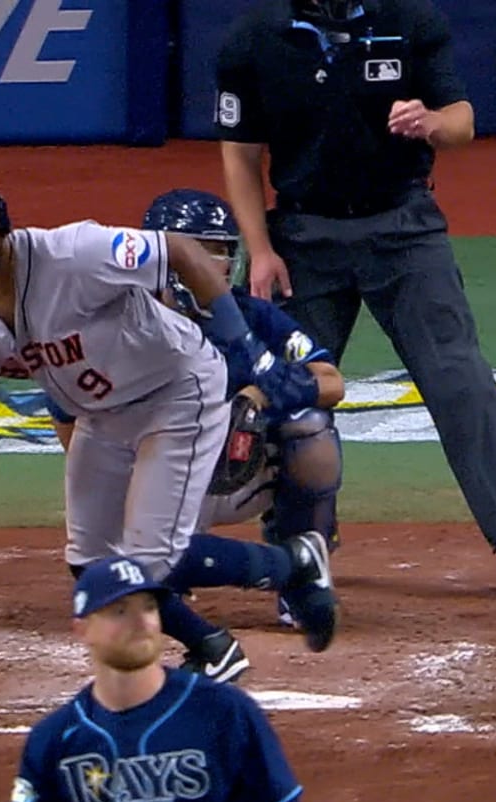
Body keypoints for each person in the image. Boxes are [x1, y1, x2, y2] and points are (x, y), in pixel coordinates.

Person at [0, 165, 339, 686]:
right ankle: (212, 644)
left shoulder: (73, 252)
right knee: (91, 563)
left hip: (177, 392)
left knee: (150, 561)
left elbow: (182, 253)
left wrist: (249, 352)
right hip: (106, 415)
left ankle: (293, 563)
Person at [215, 0, 496, 598]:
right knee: (289, 388)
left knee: (458, 377)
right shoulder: (254, 38)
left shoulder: (409, 19)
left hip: (404, 230)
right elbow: (241, 152)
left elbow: (462, 121)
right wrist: (260, 250)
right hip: (303, 237)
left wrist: (430, 121)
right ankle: (299, 537)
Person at [47, 189, 347, 635]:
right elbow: (67, 414)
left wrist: (263, 394)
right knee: (136, 569)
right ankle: (175, 573)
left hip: (238, 471)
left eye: (225, 252)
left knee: (311, 430)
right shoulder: (116, 320)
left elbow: (331, 381)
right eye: (208, 252)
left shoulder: (251, 315)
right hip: (151, 481)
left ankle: (302, 568)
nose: (220, 266)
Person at [7, 555, 314, 802]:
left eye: (150, 607)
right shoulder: (55, 739)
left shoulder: (223, 712)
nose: (141, 621)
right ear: (82, 629)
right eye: (119, 611)